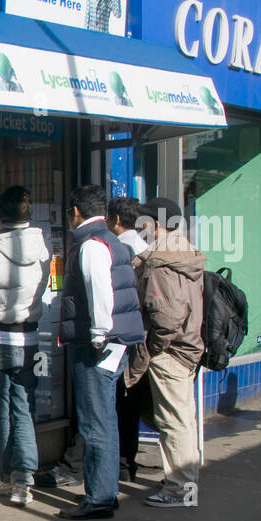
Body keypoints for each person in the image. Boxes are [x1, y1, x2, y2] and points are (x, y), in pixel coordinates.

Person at [57, 184, 144, 520]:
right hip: (114, 343)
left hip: (98, 344)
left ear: (76, 211)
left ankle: (99, 497)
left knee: (96, 423)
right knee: (104, 419)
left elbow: (100, 293)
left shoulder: (91, 244)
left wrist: (98, 336)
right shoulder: (111, 239)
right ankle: (105, 491)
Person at [125, 198, 205, 507]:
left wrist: (152, 350)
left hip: (169, 353)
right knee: (179, 419)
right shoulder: (182, 252)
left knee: (174, 421)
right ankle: (183, 484)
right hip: (183, 348)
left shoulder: (160, 262)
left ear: (156, 224)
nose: (138, 228)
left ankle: (180, 490)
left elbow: (166, 317)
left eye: (143, 223)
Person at [0, 186, 50, 507]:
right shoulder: (43, 250)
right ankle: (23, 481)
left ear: (0, 214)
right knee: (23, 408)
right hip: (28, 338)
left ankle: (7, 477)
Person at [107, 195, 151, 482]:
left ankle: (119, 464)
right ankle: (127, 463)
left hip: (121, 337)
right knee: (130, 403)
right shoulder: (147, 248)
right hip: (141, 337)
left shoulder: (121, 249)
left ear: (117, 221)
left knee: (117, 403)